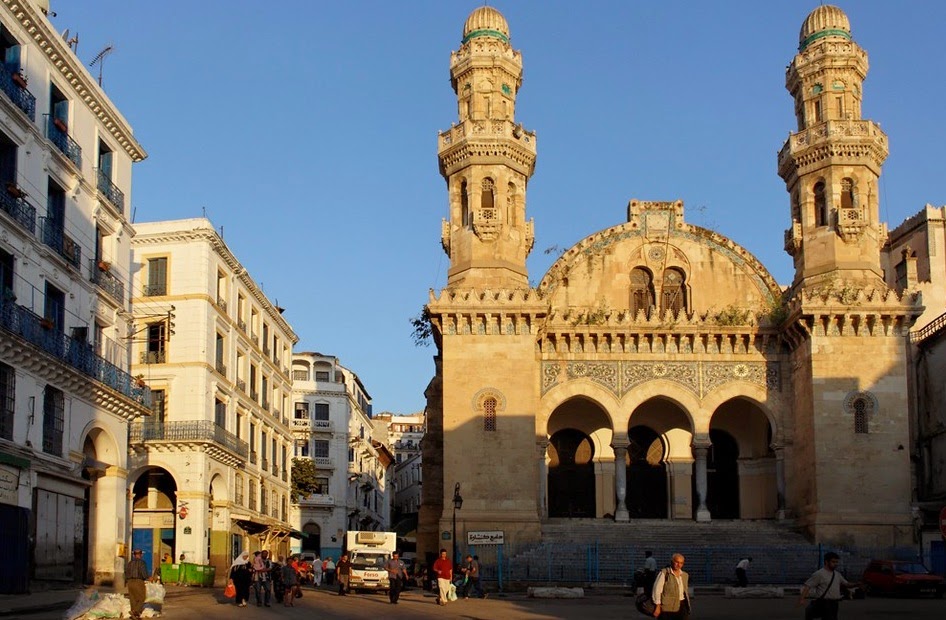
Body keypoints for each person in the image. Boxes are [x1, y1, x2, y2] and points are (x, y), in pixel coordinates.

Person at [799, 552, 856, 620]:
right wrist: (802, 599)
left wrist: (857, 584)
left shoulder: (837, 574)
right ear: (826, 562)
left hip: (834, 603)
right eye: (833, 562)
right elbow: (807, 586)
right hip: (824, 603)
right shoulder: (819, 574)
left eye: (837, 562)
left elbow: (846, 584)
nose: (836, 564)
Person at [652, 553, 691, 619]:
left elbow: (685, 591)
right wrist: (657, 606)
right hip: (667, 608)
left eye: (681, 563)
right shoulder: (664, 573)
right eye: (677, 562)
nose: (679, 565)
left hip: (682, 605)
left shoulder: (685, 575)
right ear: (672, 562)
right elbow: (657, 590)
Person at [125, 549, 149, 620]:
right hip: (138, 581)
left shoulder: (129, 563)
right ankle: (136, 611)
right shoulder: (142, 563)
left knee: (133, 598)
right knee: (142, 597)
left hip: (130, 582)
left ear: (134, 555)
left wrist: (127, 581)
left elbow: (126, 572)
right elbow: (143, 573)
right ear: (141, 555)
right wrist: (147, 578)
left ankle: (134, 614)